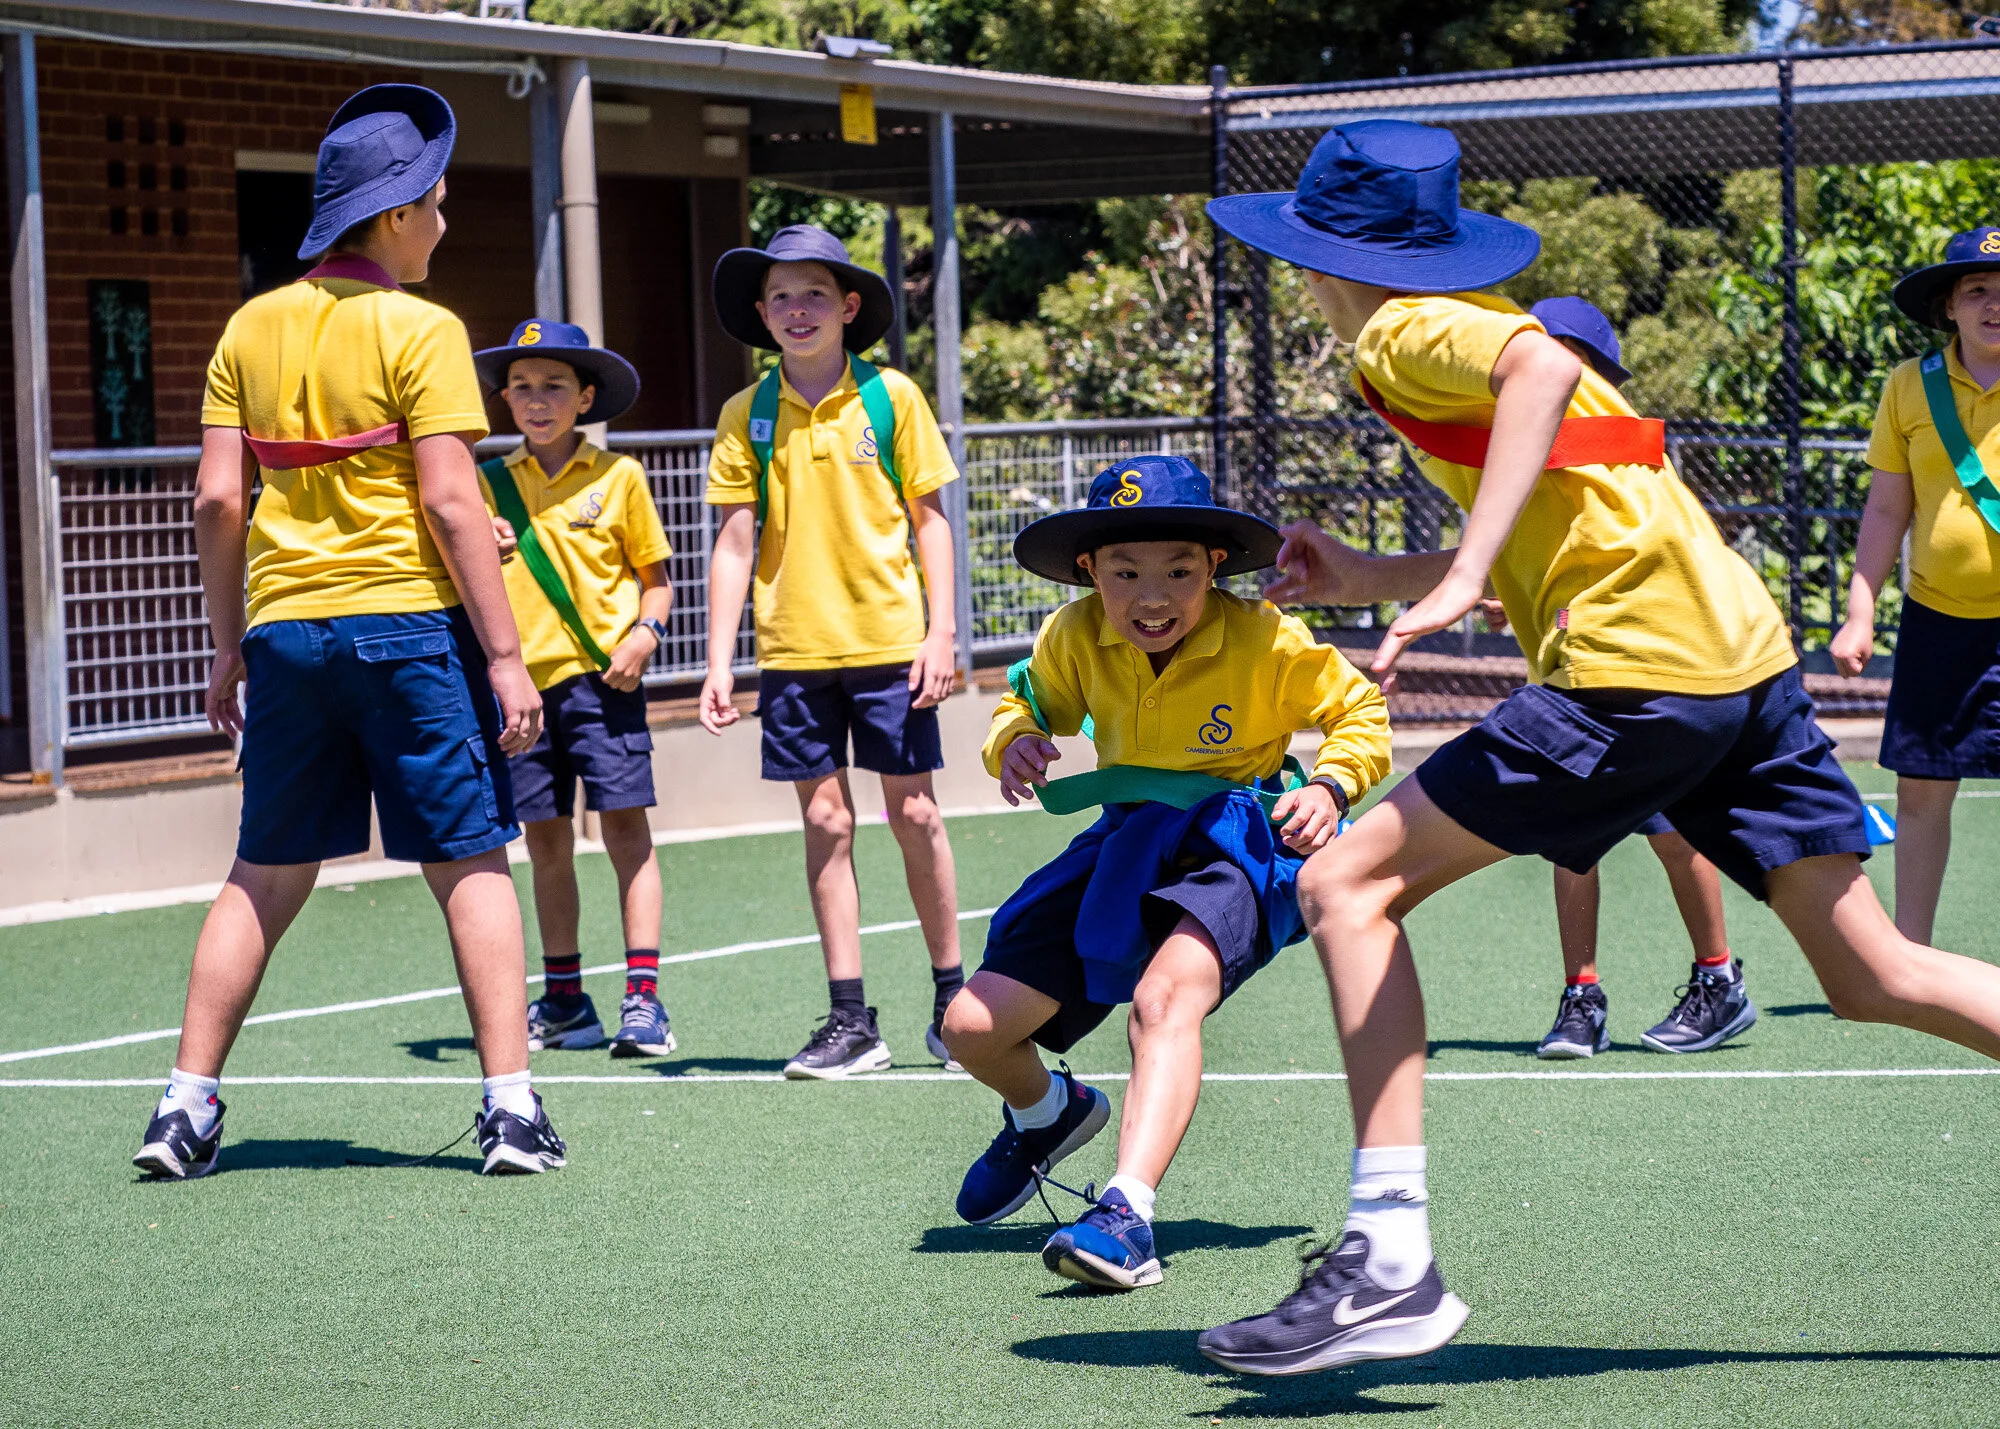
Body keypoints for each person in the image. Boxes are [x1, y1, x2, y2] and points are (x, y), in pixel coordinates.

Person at [1197, 118, 2000, 1375]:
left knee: (1340, 881)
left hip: (1640, 671)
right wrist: (1378, 569)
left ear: (1320, 257)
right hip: (1739, 658)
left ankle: (1389, 1260)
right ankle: (1386, 1264)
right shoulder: (1450, 328)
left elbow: (1536, 373)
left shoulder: (1406, 328)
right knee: (1872, 973)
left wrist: (1459, 570)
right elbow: (1571, 492)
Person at [134, 85, 564, 1180]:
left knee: (263, 873)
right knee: (470, 860)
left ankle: (183, 1107)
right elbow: (454, 504)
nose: (444, 223)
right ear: (393, 215)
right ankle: (510, 1110)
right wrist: (507, 656)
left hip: (284, 634)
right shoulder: (423, 329)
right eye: (434, 204)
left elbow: (218, 504)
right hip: (406, 633)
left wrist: (229, 642)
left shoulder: (246, 326)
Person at [941, 454, 1391, 1291]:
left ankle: (1127, 1213)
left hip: (1234, 841)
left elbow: (1358, 708)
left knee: (1163, 999)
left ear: (1215, 565)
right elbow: (1028, 703)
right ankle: (1048, 1113)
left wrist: (1333, 783)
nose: (1154, 595)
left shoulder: (1264, 637)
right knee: (971, 1025)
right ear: (1089, 571)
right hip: (1126, 840)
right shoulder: (1073, 633)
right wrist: (1015, 741)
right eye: (1126, 571)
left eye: (1179, 570)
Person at [700, 225, 966, 1079]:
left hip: (892, 643)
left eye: (814, 293)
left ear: (849, 306)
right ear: (762, 314)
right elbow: (735, 542)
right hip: (794, 651)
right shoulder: (749, 412)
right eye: (780, 296)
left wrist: (942, 630)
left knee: (915, 814)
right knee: (825, 821)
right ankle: (852, 1020)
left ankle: (952, 1001)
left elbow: (931, 522)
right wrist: (718, 659)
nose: (797, 309)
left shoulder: (892, 398)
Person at [1525, 296, 1752, 1059]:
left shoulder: (1629, 451)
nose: (1551, 377)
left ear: (1599, 378)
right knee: (1573, 842)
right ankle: (1580, 997)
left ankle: (1719, 980)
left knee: (1677, 834)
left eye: (1569, 364)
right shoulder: (1521, 454)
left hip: (1657, 673)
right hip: (1577, 673)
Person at [473, 319, 677, 1058]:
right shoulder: (486, 482)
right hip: (522, 691)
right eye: (521, 386)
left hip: (605, 681)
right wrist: (479, 551)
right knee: (546, 841)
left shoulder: (619, 476)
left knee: (627, 833)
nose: (535, 400)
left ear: (586, 397)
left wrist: (643, 638)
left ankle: (643, 999)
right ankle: (565, 998)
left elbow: (657, 584)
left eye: (554, 385)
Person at [1832, 228, 2000, 944]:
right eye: (1978, 290)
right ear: (1948, 307)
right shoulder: (1909, 384)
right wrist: (1858, 611)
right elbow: (1886, 508)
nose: (1995, 304)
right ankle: (1911, 955)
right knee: (1923, 786)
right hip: (1938, 619)